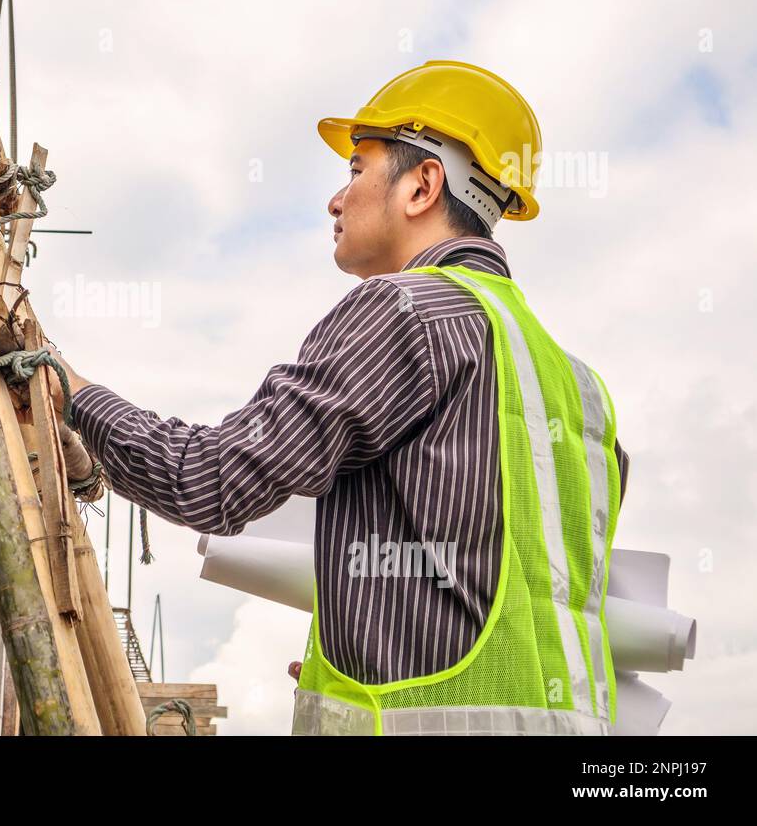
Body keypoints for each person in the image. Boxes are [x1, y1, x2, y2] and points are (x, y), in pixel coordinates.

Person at [49, 61, 629, 736]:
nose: (335, 199)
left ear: (423, 184)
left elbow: (205, 481)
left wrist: (71, 389)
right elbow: (511, 587)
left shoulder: (407, 311)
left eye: (356, 170)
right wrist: (367, 650)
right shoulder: (577, 384)